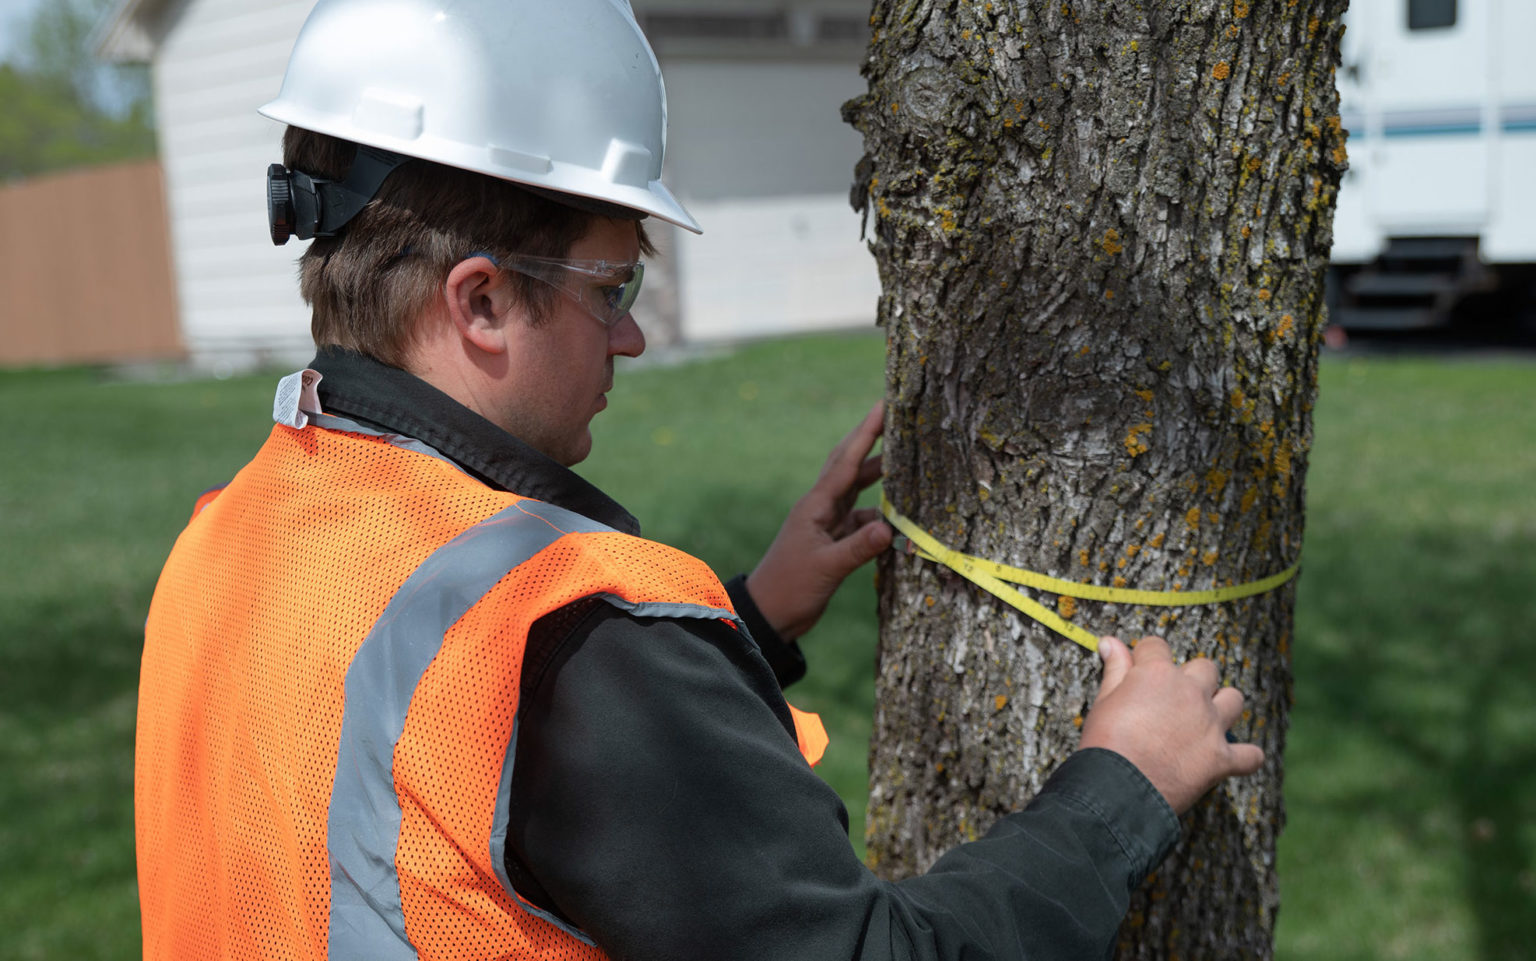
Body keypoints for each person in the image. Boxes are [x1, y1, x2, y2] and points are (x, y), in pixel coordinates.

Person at [134, 1, 1265, 958]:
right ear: (479, 302)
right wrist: (1121, 786)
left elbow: (436, 771)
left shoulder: (229, 535)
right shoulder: (570, 645)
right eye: (612, 288)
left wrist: (746, 619)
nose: (627, 340)